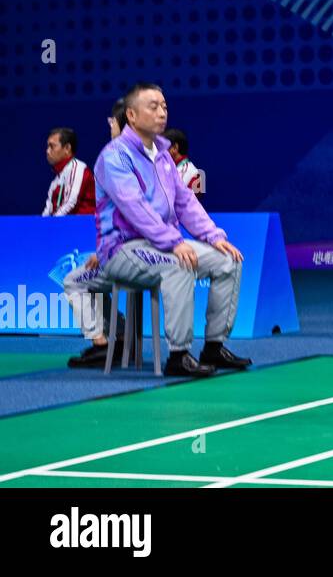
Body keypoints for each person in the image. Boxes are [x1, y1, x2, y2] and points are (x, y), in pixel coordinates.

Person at [94, 83, 250, 378]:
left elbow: (184, 201)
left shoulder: (163, 155)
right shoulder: (115, 157)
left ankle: (214, 346)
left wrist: (213, 236)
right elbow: (135, 207)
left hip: (160, 244)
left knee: (228, 261)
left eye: (164, 106)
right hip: (122, 250)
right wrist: (174, 242)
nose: (161, 112)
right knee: (178, 264)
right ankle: (179, 355)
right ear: (132, 114)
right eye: (152, 106)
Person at [62, 100, 128, 368]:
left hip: (126, 253)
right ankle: (121, 337)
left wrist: (104, 251)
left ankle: (101, 343)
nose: (109, 124)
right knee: (93, 282)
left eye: (113, 121)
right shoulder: (146, 156)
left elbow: (129, 215)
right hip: (129, 248)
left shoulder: (116, 161)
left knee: (73, 282)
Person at [43, 128, 96, 216]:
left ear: (67, 148)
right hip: (65, 226)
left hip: (83, 227)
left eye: (52, 146)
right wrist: (40, 226)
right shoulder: (56, 181)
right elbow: (47, 211)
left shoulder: (78, 168)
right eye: (47, 146)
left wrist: (51, 225)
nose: (47, 151)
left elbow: (70, 203)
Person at [163, 128, 203, 196]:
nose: (160, 151)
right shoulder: (166, 168)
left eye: (163, 146)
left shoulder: (193, 174)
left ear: (175, 148)